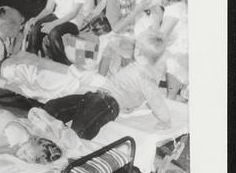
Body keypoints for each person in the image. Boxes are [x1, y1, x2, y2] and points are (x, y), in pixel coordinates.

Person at [43, 30, 171, 140]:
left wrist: (165, 120)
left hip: (109, 103)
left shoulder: (146, 77)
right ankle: (48, 126)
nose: (133, 49)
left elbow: (156, 99)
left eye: (136, 47)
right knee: (52, 107)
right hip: (95, 96)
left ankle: (66, 142)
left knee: (80, 130)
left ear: (139, 52)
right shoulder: (136, 65)